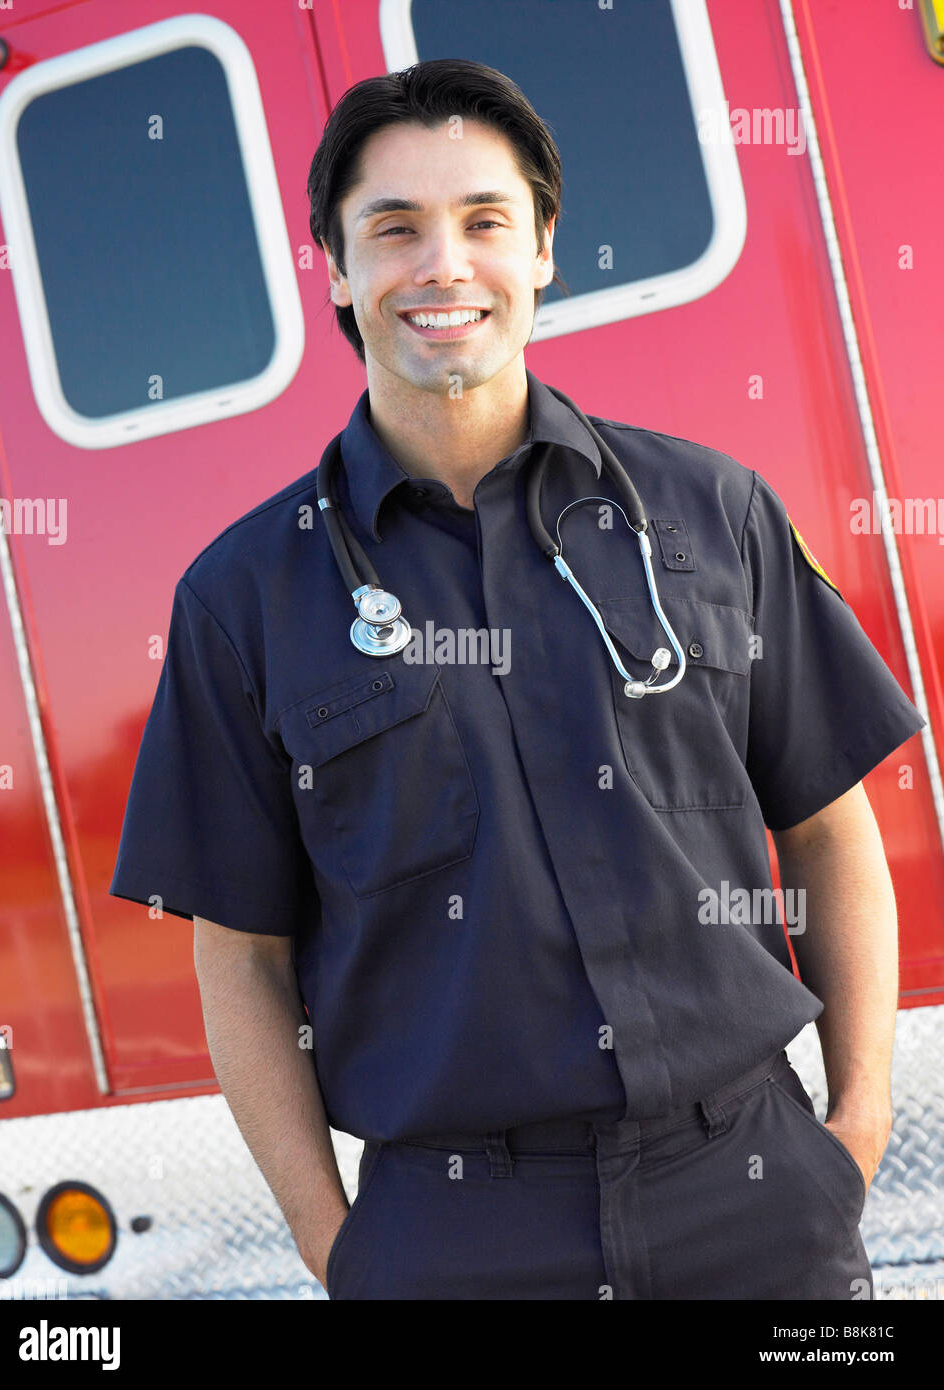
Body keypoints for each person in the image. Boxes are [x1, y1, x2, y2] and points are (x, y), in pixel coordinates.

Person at [110, 58, 926, 1300]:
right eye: (394, 229)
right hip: (454, 1239)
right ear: (335, 268)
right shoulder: (241, 603)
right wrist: (338, 1245)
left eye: (486, 222)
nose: (443, 264)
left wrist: (855, 1123)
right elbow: (244, 961)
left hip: (755, 1201)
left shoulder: (716, 512)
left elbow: (827, 827)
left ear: (544, 250)